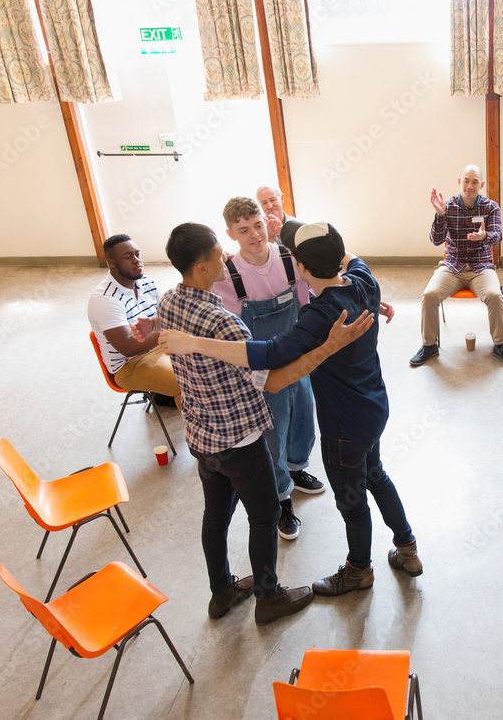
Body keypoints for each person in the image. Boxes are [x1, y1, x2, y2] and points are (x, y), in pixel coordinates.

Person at [159, 220, 423, 598]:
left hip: (342, 426)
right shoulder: (364, 280)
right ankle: (407, 547)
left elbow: (270, 355)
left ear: (298, 266)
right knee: (375, 475)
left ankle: (358, 571)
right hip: (373, 408)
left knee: (352, 502)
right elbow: (349, 256)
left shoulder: (318, 317)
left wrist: (194, 343)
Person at [213, 197, 324, 543]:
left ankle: (297, 469)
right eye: (243, 230)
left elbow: (307, 304)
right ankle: (281, 497)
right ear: (231, 234)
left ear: (268, 221)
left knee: (304, 420)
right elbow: (229, 329)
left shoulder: (290, 260)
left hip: (297, 358)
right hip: (262, 369)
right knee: (272, 435)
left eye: (258, 225)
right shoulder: (228, 276)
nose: (254, 235)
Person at [411, 164, 503, 368]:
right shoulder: (449, 205)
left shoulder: (490, 207)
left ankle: (501, 345)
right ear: (460, 182)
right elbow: (436, 241)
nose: (470, 185)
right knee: (429, 295)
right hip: (452, 265)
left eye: (475, 181)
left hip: (481, 266)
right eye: (466, 181)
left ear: (482, 184)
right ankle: (429, 345)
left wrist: (484, 235)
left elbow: (497, 237)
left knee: (495, 296)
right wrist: (441, 215)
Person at [87, 234, 181, 409]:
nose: (137, 260)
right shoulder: (105, 299)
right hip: (130, 365)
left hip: (160, 347)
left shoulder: (147, 283)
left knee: (207, 362)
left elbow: (167, 316)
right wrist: (169, 325)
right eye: (128, 257)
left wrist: (170, 324)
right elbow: (128, 348)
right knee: (185, 383)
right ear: (112, 263)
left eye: (137, 254)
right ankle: (201, 435)